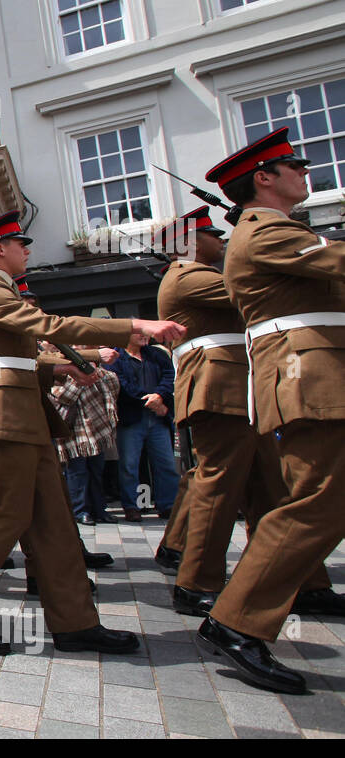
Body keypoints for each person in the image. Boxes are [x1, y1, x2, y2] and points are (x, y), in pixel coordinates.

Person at [0, 211, 183, 654]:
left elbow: (36, 351)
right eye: (20, 244)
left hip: (25, 414)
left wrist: (73, 360)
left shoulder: (1, 290)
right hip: (5, 416)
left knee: (53, 522)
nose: (27, 250)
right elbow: (50, 328)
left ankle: (73, 622)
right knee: (1, 517)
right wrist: (134, 325)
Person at [192, 128, 345, 693]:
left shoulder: (275, 230)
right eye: (294, 165)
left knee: (314, 498)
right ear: (265, 177)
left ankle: (269, 603)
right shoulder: (262, 231)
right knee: (315, 500)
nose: (305, 172)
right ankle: (234, 621)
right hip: (309, 378)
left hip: (320, 374)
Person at [108, 328, 179, 521]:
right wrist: (149, 400)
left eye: (146, 333)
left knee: (165, 464)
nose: (144, 336)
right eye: (139, 333)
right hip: (131, 419)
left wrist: (160, 396)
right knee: (129, 465)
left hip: (158, 418)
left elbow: (169, 376)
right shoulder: (116, 357)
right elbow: (120, 385)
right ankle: (131, 506)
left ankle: (167, 505)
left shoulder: (156, 354)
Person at [50, 355, 121, 526]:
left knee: (97, 471)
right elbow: (62, 398)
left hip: (97, 430)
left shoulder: (102, 375)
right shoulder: (61, 377)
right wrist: (79, 380)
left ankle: (99, 510)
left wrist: (92, 374)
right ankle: (80, 511)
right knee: (77, 473)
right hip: (74, 432)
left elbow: (114, 388)